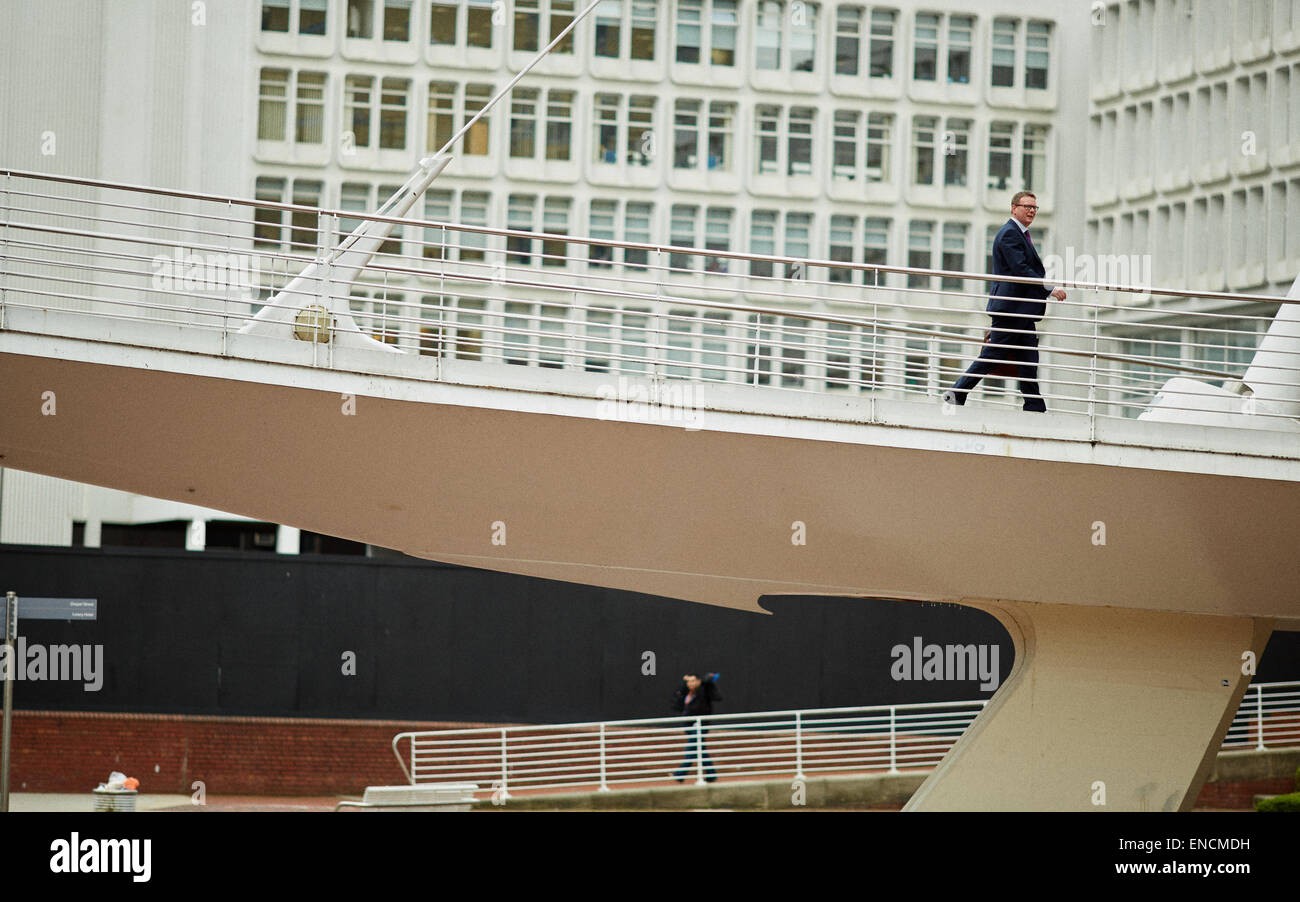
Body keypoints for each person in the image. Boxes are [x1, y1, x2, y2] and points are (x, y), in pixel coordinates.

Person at [942, 191, 1068, 412]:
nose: (1031, 211)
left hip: (1022, 310)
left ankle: (1034, 406)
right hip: (1011, 309)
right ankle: (957, 392)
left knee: (1029, 358)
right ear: (1013, 208)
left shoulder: (1019, 233)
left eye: (1034, 208)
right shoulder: (1009, 233)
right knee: (993, 355)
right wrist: (1049, 288)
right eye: (1027, 206)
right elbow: (1020, 269)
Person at [671, 671, 720, 783]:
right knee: (700, 750)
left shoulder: (703, 692)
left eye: (693, 681)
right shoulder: (687, 693)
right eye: (688, 681)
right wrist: (684, 683)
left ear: (699, 681)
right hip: (689, 726)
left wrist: (709, 683)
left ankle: (680, 774)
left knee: (692, 749)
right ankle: (711, 774)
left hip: (699, 726)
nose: (690, 683)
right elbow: (677, 702)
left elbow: (717, 697)